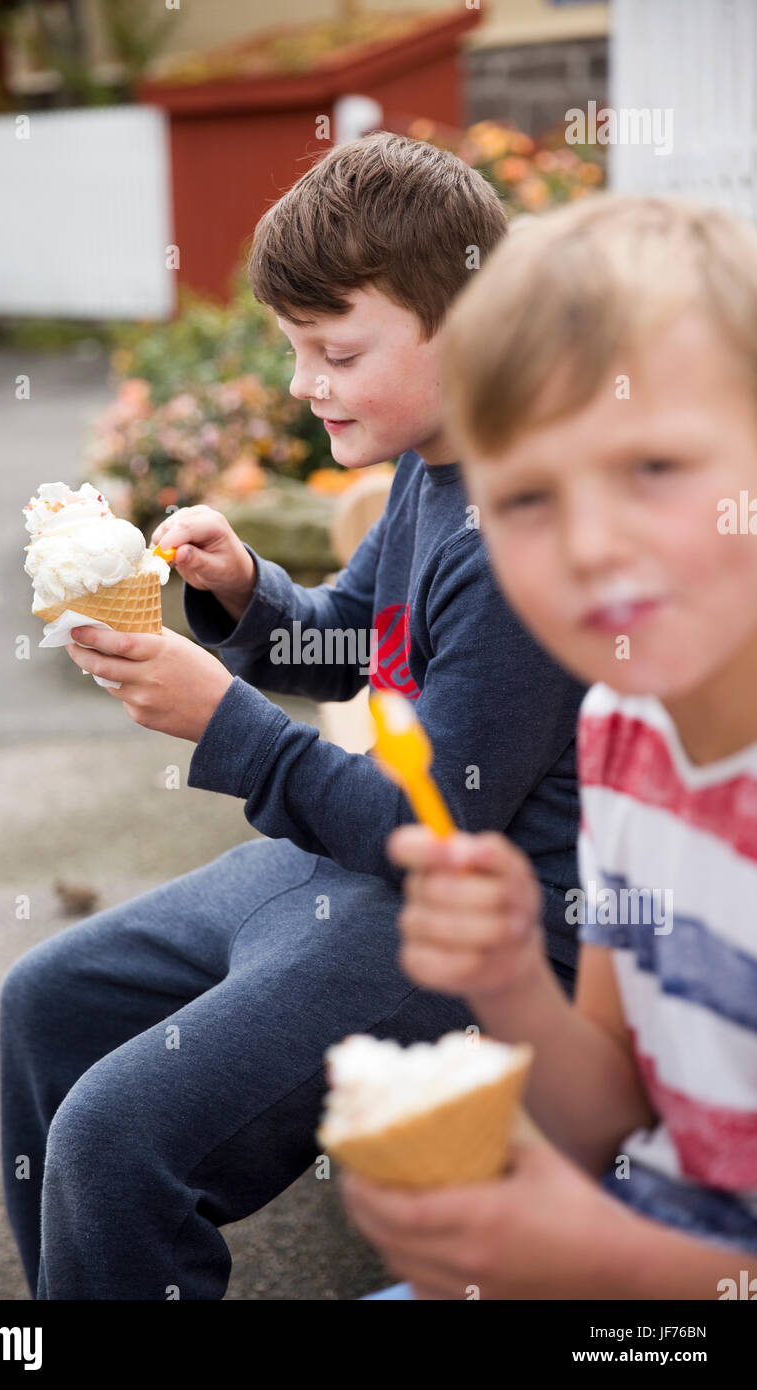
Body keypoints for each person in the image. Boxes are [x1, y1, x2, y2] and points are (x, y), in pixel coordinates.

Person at [0, 132, 585, 1300]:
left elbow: (433, 833)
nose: (302, 383)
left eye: (335, 351)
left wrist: (226, 725)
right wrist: (245, 591)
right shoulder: (432, 460)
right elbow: (351, 639)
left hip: (486, 923)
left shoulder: (529, 532)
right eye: (292, 349)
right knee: (46, 1000)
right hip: (363, 867)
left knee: (116, 1142)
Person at [344, 194, 757, 1300]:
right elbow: (612, 1112)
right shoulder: (620, 731)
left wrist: (599, 1265)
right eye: (521, 496)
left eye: (652, 469)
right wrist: (511, 978)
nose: (584, 546)